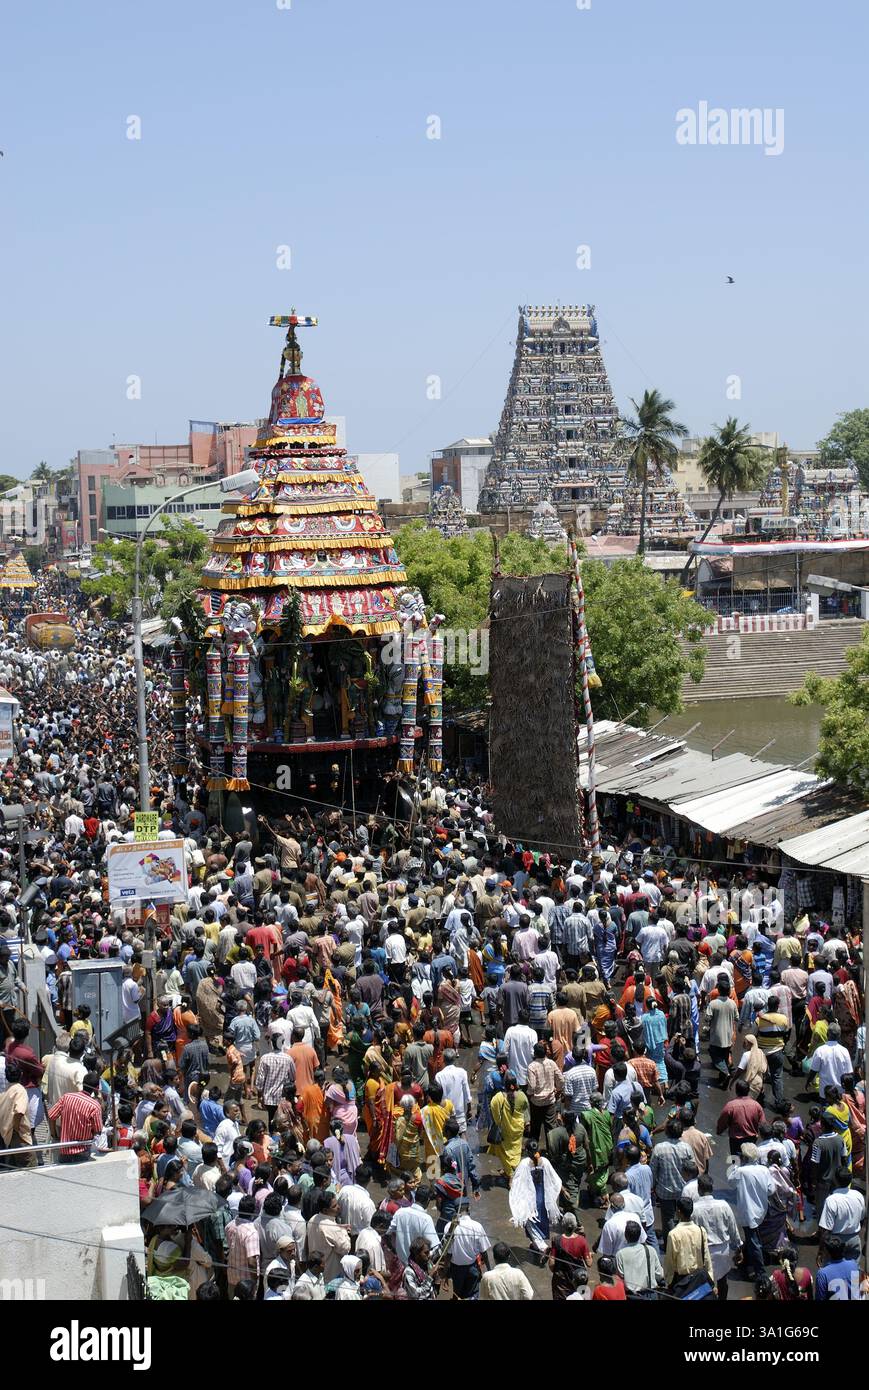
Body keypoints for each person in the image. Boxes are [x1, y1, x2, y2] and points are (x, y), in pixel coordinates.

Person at [508, 1144, 562, 1262]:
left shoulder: (525, 1163)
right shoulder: (545, 1162)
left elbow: (517, 1182)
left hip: (530, 1202)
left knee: (530, 1225)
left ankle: (543, 1248)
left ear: (527, 1150)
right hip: (542, 1200)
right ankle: (536, 1246)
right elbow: (555, 1179)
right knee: (540, 1224)